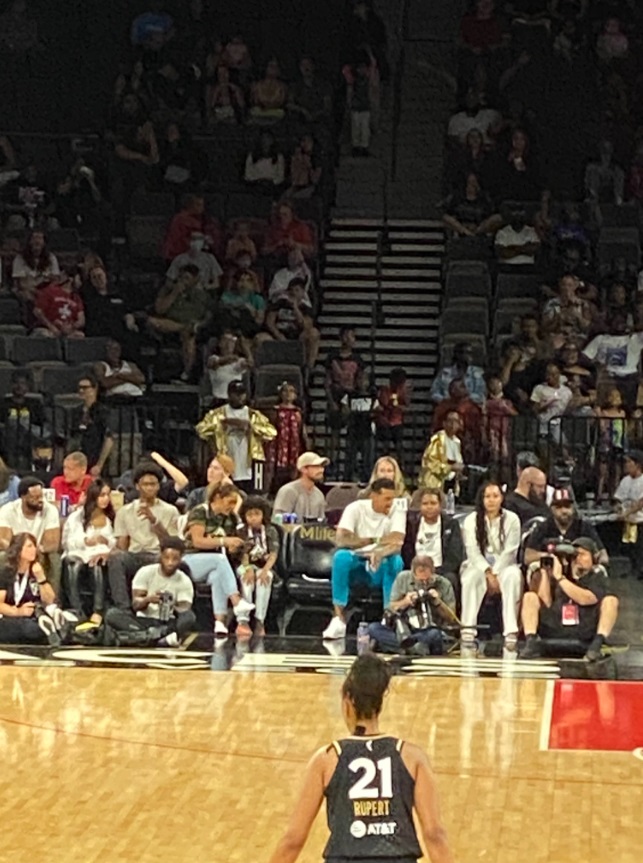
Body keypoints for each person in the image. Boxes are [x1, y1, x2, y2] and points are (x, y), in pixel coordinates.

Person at [268, 653, 454, 863]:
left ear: (348, 700)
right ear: (380, 701)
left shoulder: (327, 758)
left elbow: (293, 840)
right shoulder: (412, 757)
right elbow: (434, 834)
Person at [322, 478, 406, 640]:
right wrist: (371, 541)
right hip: (358, 563)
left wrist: (379, 553)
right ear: (373, 496)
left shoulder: (397, 510)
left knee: (396, 561)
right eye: (387, 499)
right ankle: (338, 619)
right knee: (341, 557)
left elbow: (397, 542)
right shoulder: (355, 508)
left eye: (393, 499)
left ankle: (389, 618)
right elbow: (341, 539)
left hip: (381, 564)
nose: (390, 503)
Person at [520, 537, 619, 662]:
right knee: (530, 597)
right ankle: (531, 642)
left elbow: (586, 599)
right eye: (575, 555)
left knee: (611, 601)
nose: (578, 558)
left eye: (582, 554)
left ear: (593, 558)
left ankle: (597, 644)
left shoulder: (597, 576)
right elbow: (546, 601)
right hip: (556, 624)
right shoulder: (561, 572)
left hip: (584, 628)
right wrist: (545, 572)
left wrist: (560, 579)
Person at [183, 483, 255, 637]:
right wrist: (224, 541)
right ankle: (236, 601)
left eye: (235, 503)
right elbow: (197, 541)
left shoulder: (230, 518)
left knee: (218, 576)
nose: (232, 506)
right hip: (190, 559)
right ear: (217, 498)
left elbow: (232, 545)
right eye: (230, 502)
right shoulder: (200, 512)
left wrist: (234, 548)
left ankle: (220, 622)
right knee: (220, 560)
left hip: (215, 562)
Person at [108, 463, 180, 612]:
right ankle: (124, 609)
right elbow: (122, 545)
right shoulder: (125, 511)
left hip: (157, 554)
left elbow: (171, 545)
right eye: (145, 484)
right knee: (116, 558)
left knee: (166, 560)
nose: (150, 488)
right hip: (134, 555)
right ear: (137, 486)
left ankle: (162, 609)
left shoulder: (170, 510)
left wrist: (154, 520)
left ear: (159, 486)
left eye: (153, 484)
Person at [460, 481, 522, 647]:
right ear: (481, 499)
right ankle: (468, 629)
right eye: (487, 496)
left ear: (502, 498)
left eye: (495, 496)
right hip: (478, 565)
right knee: (470, 578)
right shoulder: (471, 520)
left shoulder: (512, 519)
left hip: (505, 565)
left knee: (512, 577)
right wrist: (487, 571)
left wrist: (495, 572)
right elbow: (472, 551)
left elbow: (511, 551)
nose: (491, 500)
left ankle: (510, 630)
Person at [105, 537, 197, 649]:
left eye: (175, 559)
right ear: (160, 555)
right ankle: (153, 637)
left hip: (167, 623)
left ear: (181, 558)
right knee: (112, 614)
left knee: (189, 617)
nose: (170, 563)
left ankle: (141, 637)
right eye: (166, 558)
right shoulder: (145, 572)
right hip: (143, 621)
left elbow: (185, 609)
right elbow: (136, 604)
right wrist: (148, 599)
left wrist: (171, 604)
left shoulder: (184, 580)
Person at [195, 380, 277, 490]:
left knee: (250, 491)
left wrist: (249, 426)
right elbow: (200, 429)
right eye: (236, 394)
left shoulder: (253, 415)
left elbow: (271, 432)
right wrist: (219, 425)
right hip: (226, 456)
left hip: (249, 460)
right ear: (229, 394)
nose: (239, 397)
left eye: (242, 394)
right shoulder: (218, 414)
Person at [368, 555, 457, 654]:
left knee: (434, 635)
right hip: (404, 631)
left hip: (428, 631)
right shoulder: (402, 578)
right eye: (421, 581)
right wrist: (405, 602)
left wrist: (437, 602)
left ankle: (406, 647)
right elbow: (391, 608)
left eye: (428, 580)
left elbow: (451, 618)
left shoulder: (444, 584)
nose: (424, 583)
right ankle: (414, 648)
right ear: (413, 574)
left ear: (433, 572)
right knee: (373, 628)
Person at [62, 479, 114, 627]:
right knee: (74, 564)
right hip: (78, 552)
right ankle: (77, 609)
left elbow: (116, 543)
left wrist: (107, 542)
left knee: (97, 564)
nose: (106, 499)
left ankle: (97, 611)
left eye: (107, 495)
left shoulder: (110, 517)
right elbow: (67, 542)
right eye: (102, 495)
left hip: (100, 553)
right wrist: (86, 541)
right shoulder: (76, 517)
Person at [148, 263, 212, 381]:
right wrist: (174, 293)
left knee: (188, 336)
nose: (183, 280)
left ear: (195, 279)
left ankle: (187, 373)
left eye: (187, 278)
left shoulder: (202, 295)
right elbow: (159, 309)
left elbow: (206, 316)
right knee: (151, 321)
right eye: (181, 277)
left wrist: (198, 324)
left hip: (192, 327)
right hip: (171, 323)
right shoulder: (167, 290)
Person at [0, 477, 61, 594]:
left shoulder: (50, 510)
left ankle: (53, 599)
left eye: (41, 496)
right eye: (35, 497)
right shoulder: (8, 510)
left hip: (39, 552)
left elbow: (53, 544)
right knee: (2, 556)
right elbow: (4, 541)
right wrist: (21, 551)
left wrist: (34, 550)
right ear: (23, 497)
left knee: (54, 558)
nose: (40, 500)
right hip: (15, 552)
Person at [401, 488, 465, 600]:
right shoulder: (411, 524)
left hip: (442, 571)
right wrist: (418, 571)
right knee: (402, 577)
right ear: (420, 506)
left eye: (433, 503)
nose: (429, 507)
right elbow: (407, 551)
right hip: (415, 570)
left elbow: (455, 556)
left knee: (451, 579)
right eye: (425, 503)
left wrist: (433, 573)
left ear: (440, 505)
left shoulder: (451, 524)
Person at [0, 532, 62, 645]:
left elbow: (50, 600)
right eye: (29, 546)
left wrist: (41, 578)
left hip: (35, 616)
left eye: (34, 546)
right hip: (11, 617)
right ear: (18, 550)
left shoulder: (39, 570)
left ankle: (50, 626)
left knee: (34, 628)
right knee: (23, 628)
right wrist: (18, 612)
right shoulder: (6, 573)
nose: (34, 549)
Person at [524, 487, 609, 567]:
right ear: (552, 509)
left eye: (567, 506)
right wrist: (551, 555)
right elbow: (528, 557)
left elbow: (603, 556)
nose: (564, 511)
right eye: (559, 507)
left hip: (579, 570)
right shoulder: (543, 527)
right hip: (550, 570)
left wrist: (585, 558)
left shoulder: (583, 526)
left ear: (573, 508)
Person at [236, 496, 280, 636]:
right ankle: (243, 621)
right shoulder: (241, 531)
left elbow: (273, 554)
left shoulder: (271, 530)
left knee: (264, 579)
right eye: (249, 515)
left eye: (257, 514)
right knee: (246, 579)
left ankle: (260, 621)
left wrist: (265, 570)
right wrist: (248, 568)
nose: (253, 518)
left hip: (264, 565)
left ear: (263, 514)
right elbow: (243, 553)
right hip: (245, 564)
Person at [66, 374, 113, 477]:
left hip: (94, 458)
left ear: (94, 389)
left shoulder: (103, 411)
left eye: (85, 387)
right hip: (78, 460)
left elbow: (108, 439)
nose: (81, 391)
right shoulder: (76, 411)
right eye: (79, 388)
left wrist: (99, 465)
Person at [272, 451, 328, 522]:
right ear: (303, 469)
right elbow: (277, 521)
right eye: (316, 467)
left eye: (322, 466)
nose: (321, 470)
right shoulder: (288, 491)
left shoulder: (319, 495)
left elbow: (321, 522)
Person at [613, 450, 643, 580]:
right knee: (630, 548)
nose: (626, 465)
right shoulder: (625, 480)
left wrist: (627, 512)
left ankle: (640, 570)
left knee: (639, 548)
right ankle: (634, 568)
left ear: (637, 465)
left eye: (629, 462)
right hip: (628, 521)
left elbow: (640, 503)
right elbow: (618, 498)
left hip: (640, 520)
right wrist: (618, 508)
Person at [418, 411, 465, 494]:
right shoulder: (437, 440)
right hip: (435, 484)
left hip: (451, 484)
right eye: (450, 421)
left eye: (456, 421)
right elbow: (430, 463)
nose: (453, 424)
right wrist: (450, 467)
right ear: (444, 423)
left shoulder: (457, 442)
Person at [33, 267, 85, 339]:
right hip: (49, 328)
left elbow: (81, 320)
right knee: (44, 334)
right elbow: (37, 311)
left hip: (68, 331)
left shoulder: (76, 298)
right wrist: (51, 326)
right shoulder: (50, 291)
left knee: (80, 336)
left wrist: (72, 326)